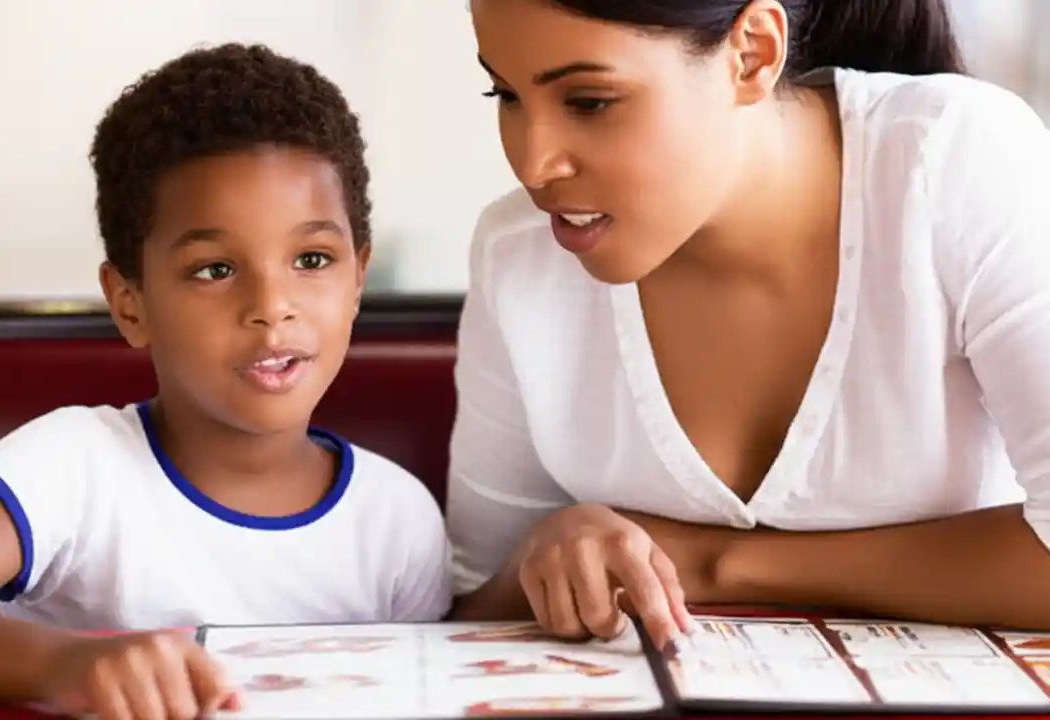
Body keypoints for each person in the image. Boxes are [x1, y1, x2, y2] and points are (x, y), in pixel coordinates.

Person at [0, 43, 452, 719]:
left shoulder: (398, 520)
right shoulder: (75, 467)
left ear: (358, 278)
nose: (272, 304)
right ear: (130, 303)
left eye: (312, 257)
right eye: (215, 268)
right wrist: (63, 661)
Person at [447, 0, 1050, 652]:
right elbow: (472, 608)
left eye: (590, 101)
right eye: (504, 94)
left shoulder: (955, 160)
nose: (535, 166)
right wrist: (547, 551)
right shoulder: (518, 256)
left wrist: (715, 564)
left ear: (752, 54)